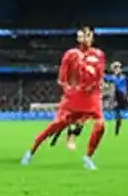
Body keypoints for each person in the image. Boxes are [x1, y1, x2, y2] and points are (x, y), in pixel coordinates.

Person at [20, 25, 107, 170]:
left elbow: (100, 76)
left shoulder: (99, 54)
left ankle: (88, 157)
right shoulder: (70, 55)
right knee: (56, 126)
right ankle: (31, 151)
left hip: (92, 97)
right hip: (73, 97)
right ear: (78, 38)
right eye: (83, 35)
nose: (86, 38)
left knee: (101, 125)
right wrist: (70, 90)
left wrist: (97, 87)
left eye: (89, 35)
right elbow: (62, 79)